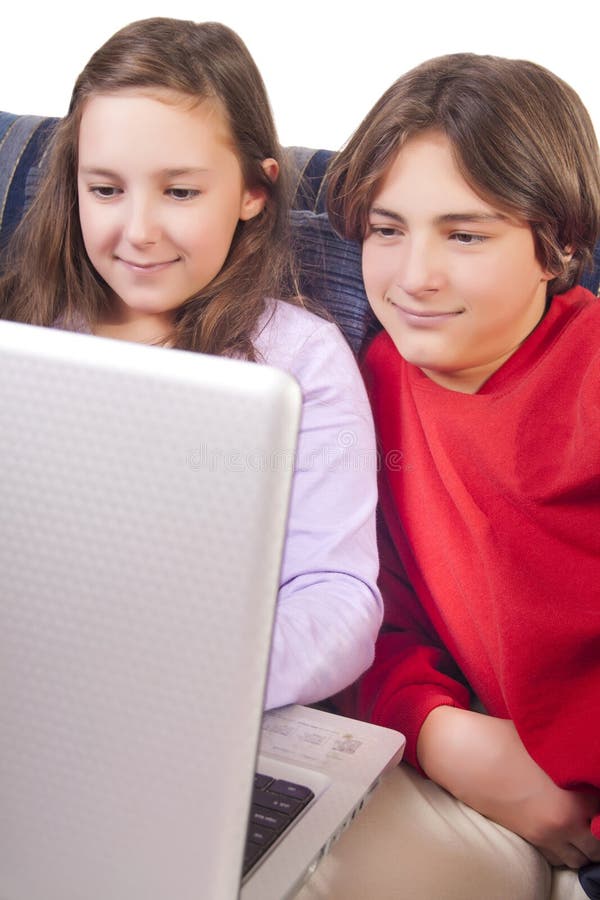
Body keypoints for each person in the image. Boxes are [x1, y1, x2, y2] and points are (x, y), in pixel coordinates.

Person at [0, 17, 382, 710]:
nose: (139, 230)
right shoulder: (23, 325)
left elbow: (337, 598)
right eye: (106, 189)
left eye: (180, 192)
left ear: (254, 191)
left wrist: (186, 685)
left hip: (193, 703)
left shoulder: (300, 362)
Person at [303, 53, 600, 900]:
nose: (414, 277)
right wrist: (444, 736)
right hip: (477, 778)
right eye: (388, 230)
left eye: (465, 234)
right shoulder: (371, 383)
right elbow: (376, 616)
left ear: (559, 244)